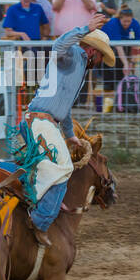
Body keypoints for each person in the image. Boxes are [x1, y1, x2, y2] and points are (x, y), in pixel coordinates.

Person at [21, 16, 113, 246]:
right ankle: (40, 221)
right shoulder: (72, 55)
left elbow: (65, 106)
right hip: (41, 122)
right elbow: (57, 46)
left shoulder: (79, 70)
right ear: (92, 50)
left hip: (42, 122)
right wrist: (85, 29)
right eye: (101, 55)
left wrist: (70, 134)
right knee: (63, 168)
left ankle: (28, 205)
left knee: (48, 169)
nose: (101, 60)